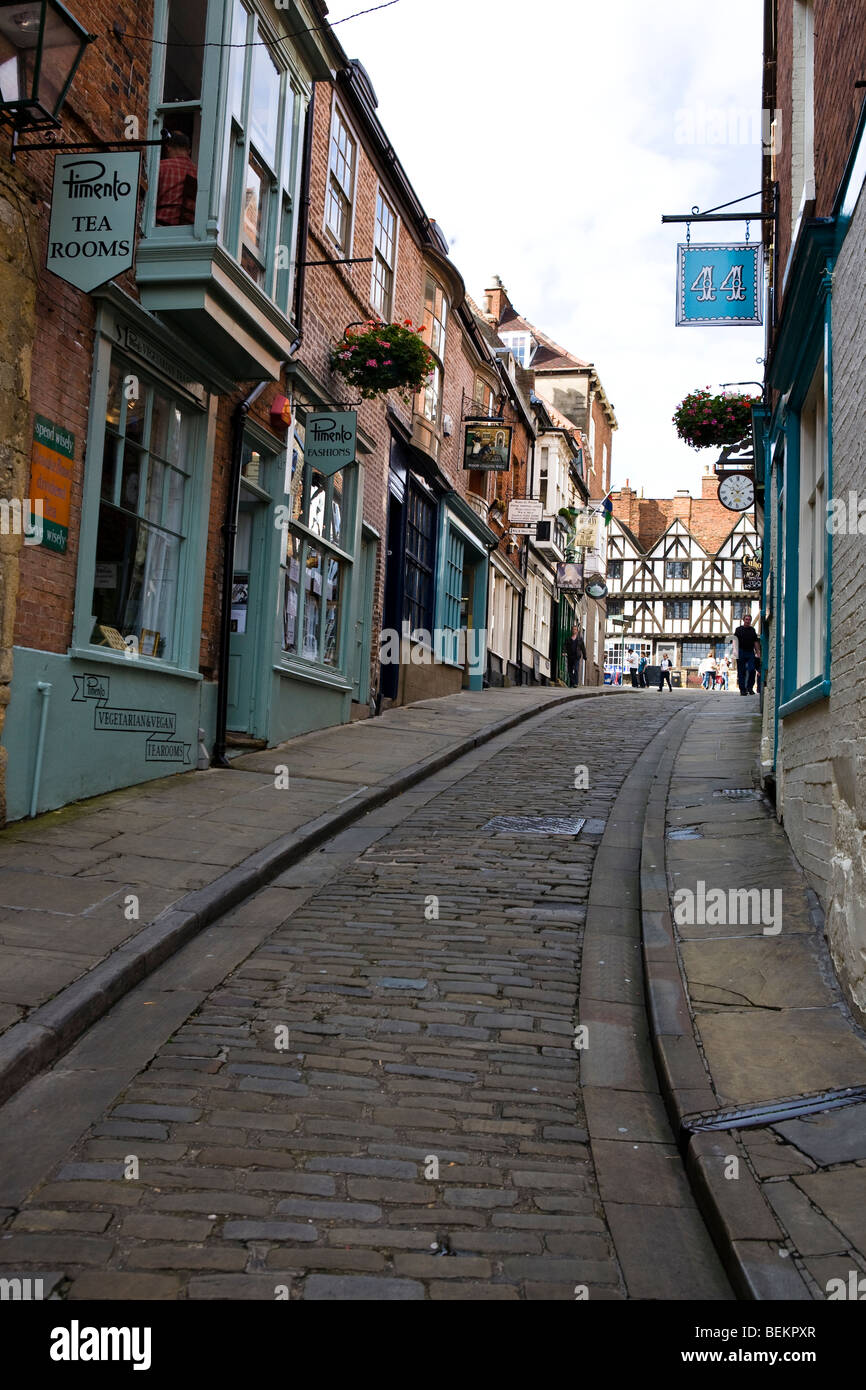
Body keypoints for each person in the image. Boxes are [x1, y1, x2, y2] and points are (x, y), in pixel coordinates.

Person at [155, 131, 198, 226]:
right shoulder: (198, 173)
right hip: (187, 230)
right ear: (189, 151)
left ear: (168, 147)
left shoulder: (161, 167)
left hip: (159, 227)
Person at [732, 614, 759, 695]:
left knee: (752, 670)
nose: (748, 621)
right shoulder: (738, 629)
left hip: (750, 652)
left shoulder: (752, 630)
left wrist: (758, 652)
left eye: (749, 619)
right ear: (743, 620)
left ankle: (750, 688)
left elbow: (755, 642)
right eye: (746, 619)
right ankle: (742, 690)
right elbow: (734, 640)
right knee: (741, 671)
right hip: (741, 651)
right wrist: (735, 651)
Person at [565, 624, 586, 688]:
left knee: (576, 669)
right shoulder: (569, 639)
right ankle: (572, 683)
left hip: (577, 656)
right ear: (572, 630)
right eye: (573, 629)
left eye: (575, 629)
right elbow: (565, 646)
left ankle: (575, 683)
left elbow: (583, 648)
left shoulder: (580, 639)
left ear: (577, 631)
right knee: (570, 670)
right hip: (570, 656)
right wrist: (564, 652)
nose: (574, 631)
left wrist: (585, 656)